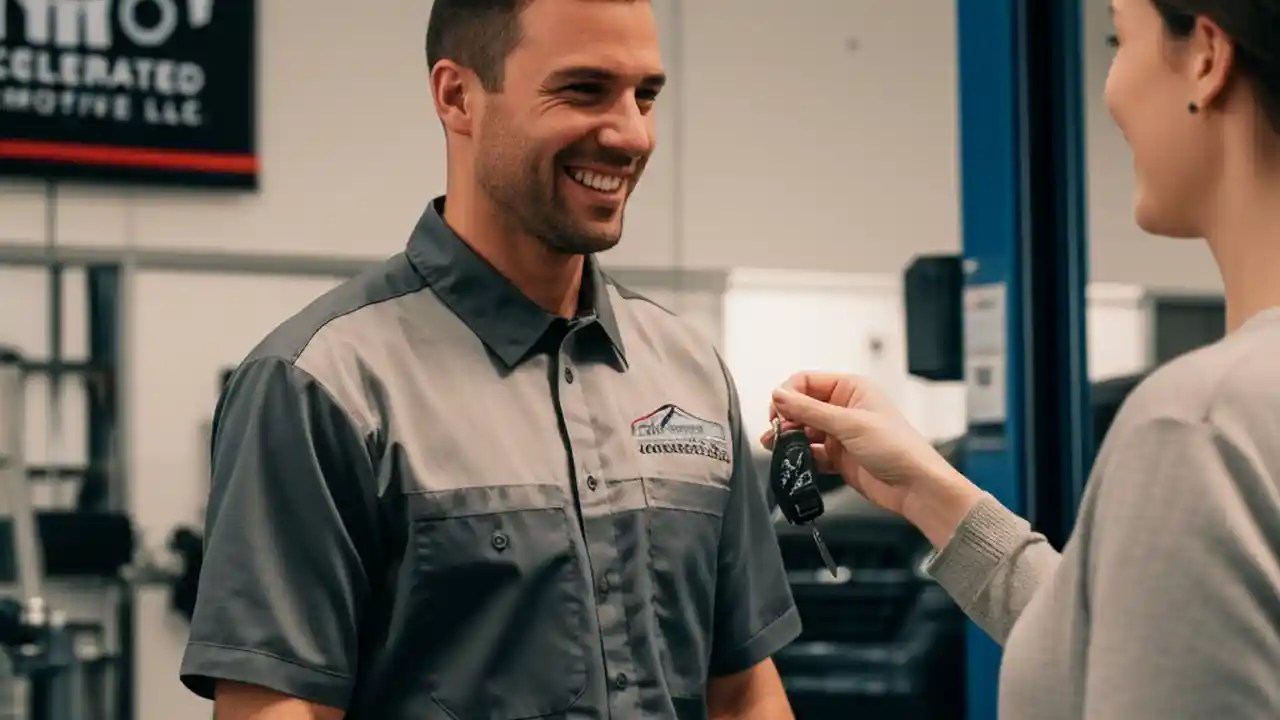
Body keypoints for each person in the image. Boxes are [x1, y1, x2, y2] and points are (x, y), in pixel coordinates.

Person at [178, 0, 801, 718]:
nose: (632, 133)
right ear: (457, 96)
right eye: (584, 90)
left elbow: (743, 690)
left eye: (646, 96)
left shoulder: (687, 371)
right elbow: (277, 707)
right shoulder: (322, 385)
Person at [764, 0, 1280, 717]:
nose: (1110, 91)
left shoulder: (1201, 425)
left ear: (1206, 59)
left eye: (1117, 39)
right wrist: (926, 492)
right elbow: (1130, 652)